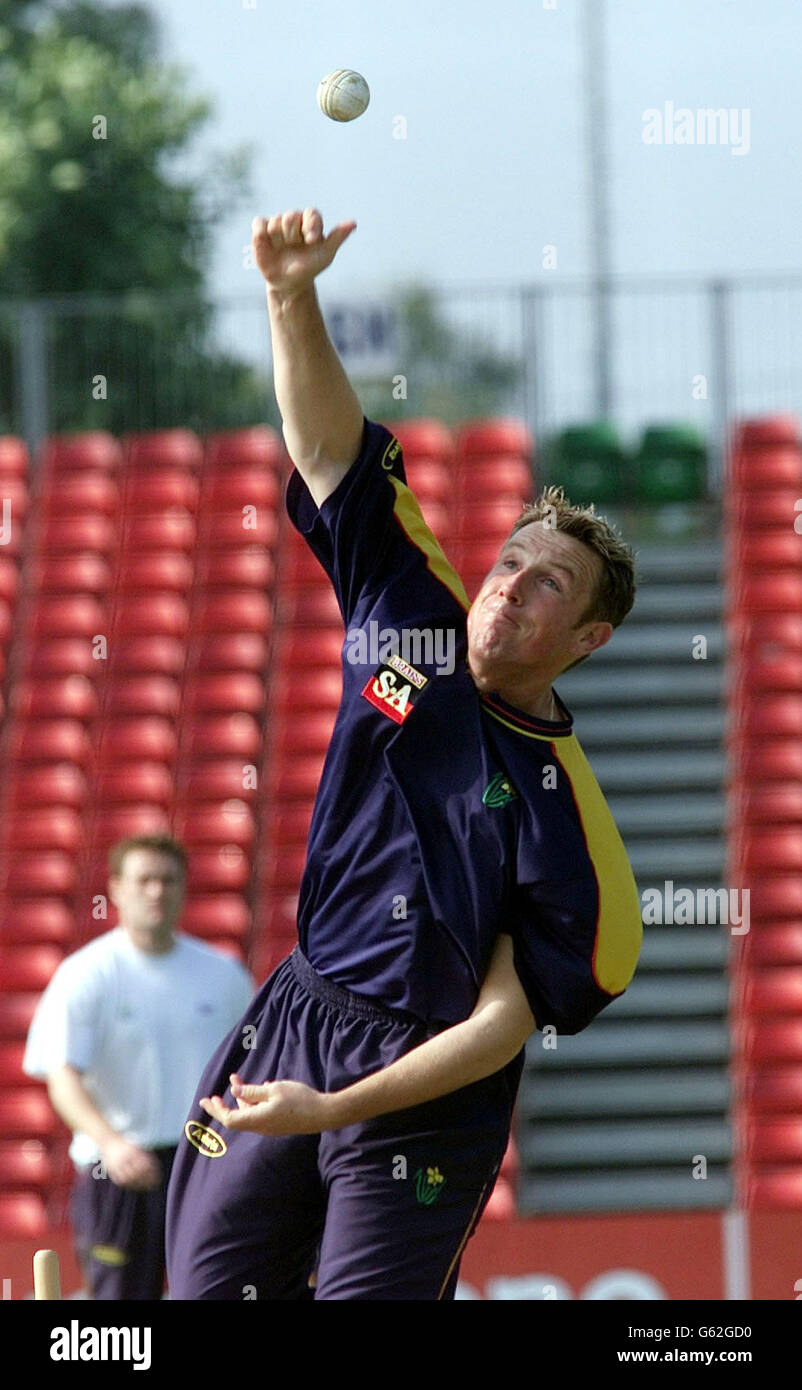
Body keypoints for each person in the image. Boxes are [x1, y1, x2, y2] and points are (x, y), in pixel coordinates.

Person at [164, 208, 643, 1302]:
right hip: (293, 1015)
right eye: (512, 560)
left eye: (548, 585)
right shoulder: (408, 612)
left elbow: (499, 1026)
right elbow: (331, 449)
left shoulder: (570, 825)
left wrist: (336, 1107)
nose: (511, 586)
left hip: (425, 1096)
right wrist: (290, 295)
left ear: (587, 640)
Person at [22, 834, 254, 1300]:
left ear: (184, 888)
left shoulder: (224, 975)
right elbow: (61, 1075)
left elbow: (254, 1064)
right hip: (120, 1172)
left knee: (217, 1291)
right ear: (117, 889)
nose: (156, 891)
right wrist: (111, 1144)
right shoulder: (86, 974)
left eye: (167, 880)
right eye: (144, 880)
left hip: (204, 1164)